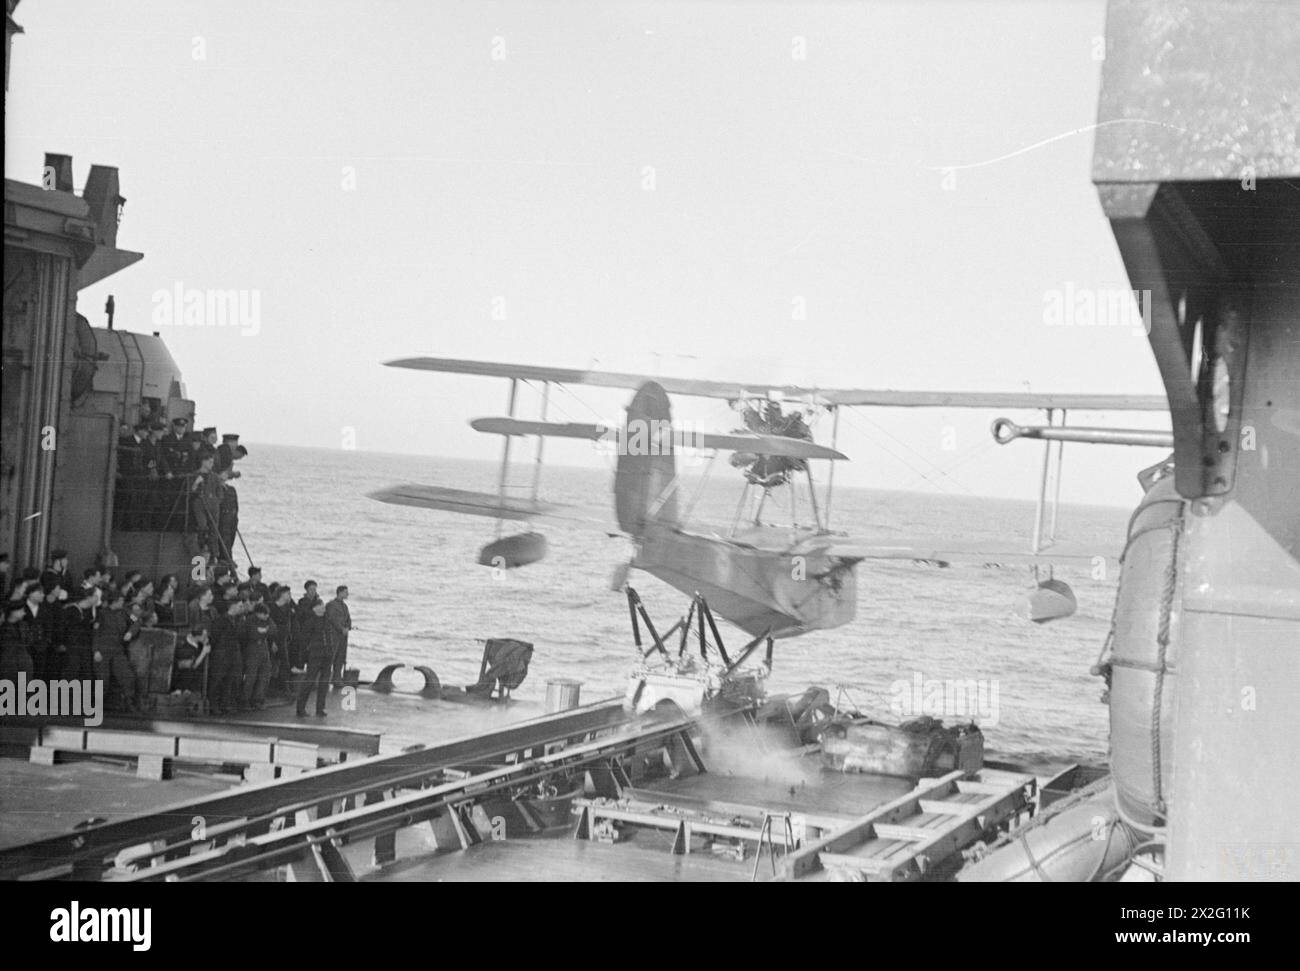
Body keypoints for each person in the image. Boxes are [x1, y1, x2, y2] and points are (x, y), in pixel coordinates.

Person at [94, 589, 139, 711]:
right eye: (121, 600)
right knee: (103, 680)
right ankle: (96, 706)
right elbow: (95, 633)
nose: (122, 602)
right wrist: (96, 650)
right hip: (103, 651)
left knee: (127, 676)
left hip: (118, 649)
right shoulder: (102, 614)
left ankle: (129, 702)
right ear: (114, 601)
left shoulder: (125, 612)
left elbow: (136, 621)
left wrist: (130, 632)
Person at [207, 600, 248, 714]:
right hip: (222, 653)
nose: (241, 608)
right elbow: (215, 637)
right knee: (217, 679)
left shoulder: (237, 621)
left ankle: (225, 704)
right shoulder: (220, 621)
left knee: (229, 680)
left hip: (233, 653)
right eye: (239, 606)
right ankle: (213, 704)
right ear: (233, 606)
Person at [296, 600, 330, 717]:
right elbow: (304, 642)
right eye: (320, 605)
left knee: (324, 683)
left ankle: (320, 708)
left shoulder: (327, 620)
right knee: (309, 682)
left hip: (326, 655)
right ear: (315, 608)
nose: (323, 607)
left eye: (323, 605)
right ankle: (300, 708)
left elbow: (330, 637)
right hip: (314, 655)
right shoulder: (310, 622)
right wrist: (304, 659)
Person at [60, 586, 101, 681]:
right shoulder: (71, 609)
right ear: (88, 597)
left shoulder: (95, 611)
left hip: (86, 645)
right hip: (72, 645)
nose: (98, 598)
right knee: (72, 669)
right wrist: (61, 643)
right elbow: (62, 627)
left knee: (87, 671)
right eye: (96, 596)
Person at [241, 604, 276, 709]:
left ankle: (258, 699)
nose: (267, 616)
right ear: (258, 613)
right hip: (253, 648)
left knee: (264, 675)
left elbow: (273, 630)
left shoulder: (268, 619)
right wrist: (264, 631)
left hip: (264, 648)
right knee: (251, 676)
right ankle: (245, 700)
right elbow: (252, 634)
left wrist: (263, 631)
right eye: (264, 614)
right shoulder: (250, 620)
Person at [325, 584, 352, 689]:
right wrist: (341, 629)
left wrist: (348, 627)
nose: (347, 594)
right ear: (340, 592)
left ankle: (337, 679)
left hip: (343, 637)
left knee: (340, 658)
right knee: (331, 657)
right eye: (346, 592)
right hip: (334, 635)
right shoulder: (331, 605)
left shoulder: (344, 606)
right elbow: (332, 619)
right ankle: (325, 679)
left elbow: (348, 619)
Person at [173, 626, 210, 694]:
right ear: (197, 636)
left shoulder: (198, 642)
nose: (206, 638)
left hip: (196, 682)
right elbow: (193, 666)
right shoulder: (182, 647)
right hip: (184, 685)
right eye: (204, 636)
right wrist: (203, 652)